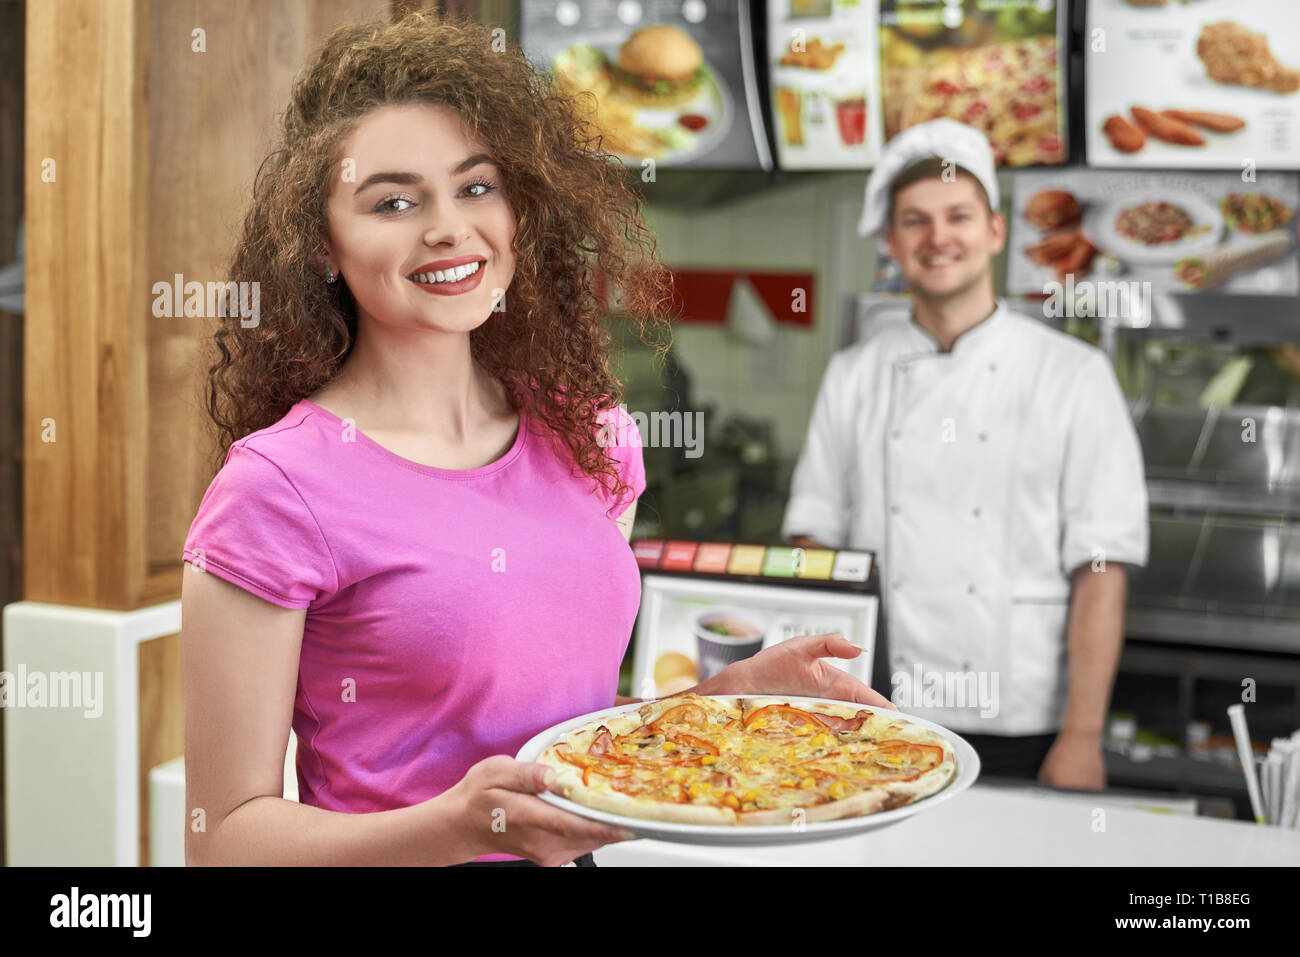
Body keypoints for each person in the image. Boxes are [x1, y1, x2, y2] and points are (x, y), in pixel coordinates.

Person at [181, 13, 893, 869]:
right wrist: (457, 823)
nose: (447, 226)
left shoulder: (589, 434)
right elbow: (223, 840)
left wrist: (713, 701)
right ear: (321, 245)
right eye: (393, 201)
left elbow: (570, 741)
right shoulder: (277, 489)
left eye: (476, 187)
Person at [782, 119, 1149, 789]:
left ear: (996, 231)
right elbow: (815, 545)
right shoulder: (854, 372)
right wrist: (823, 696)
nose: (938, 237)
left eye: (959, 215)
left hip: (1026, 714)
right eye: (915, 221)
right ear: (892, 243)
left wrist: (1082, 735)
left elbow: (1102, 568)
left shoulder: (1074, 373)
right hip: (880, 710)